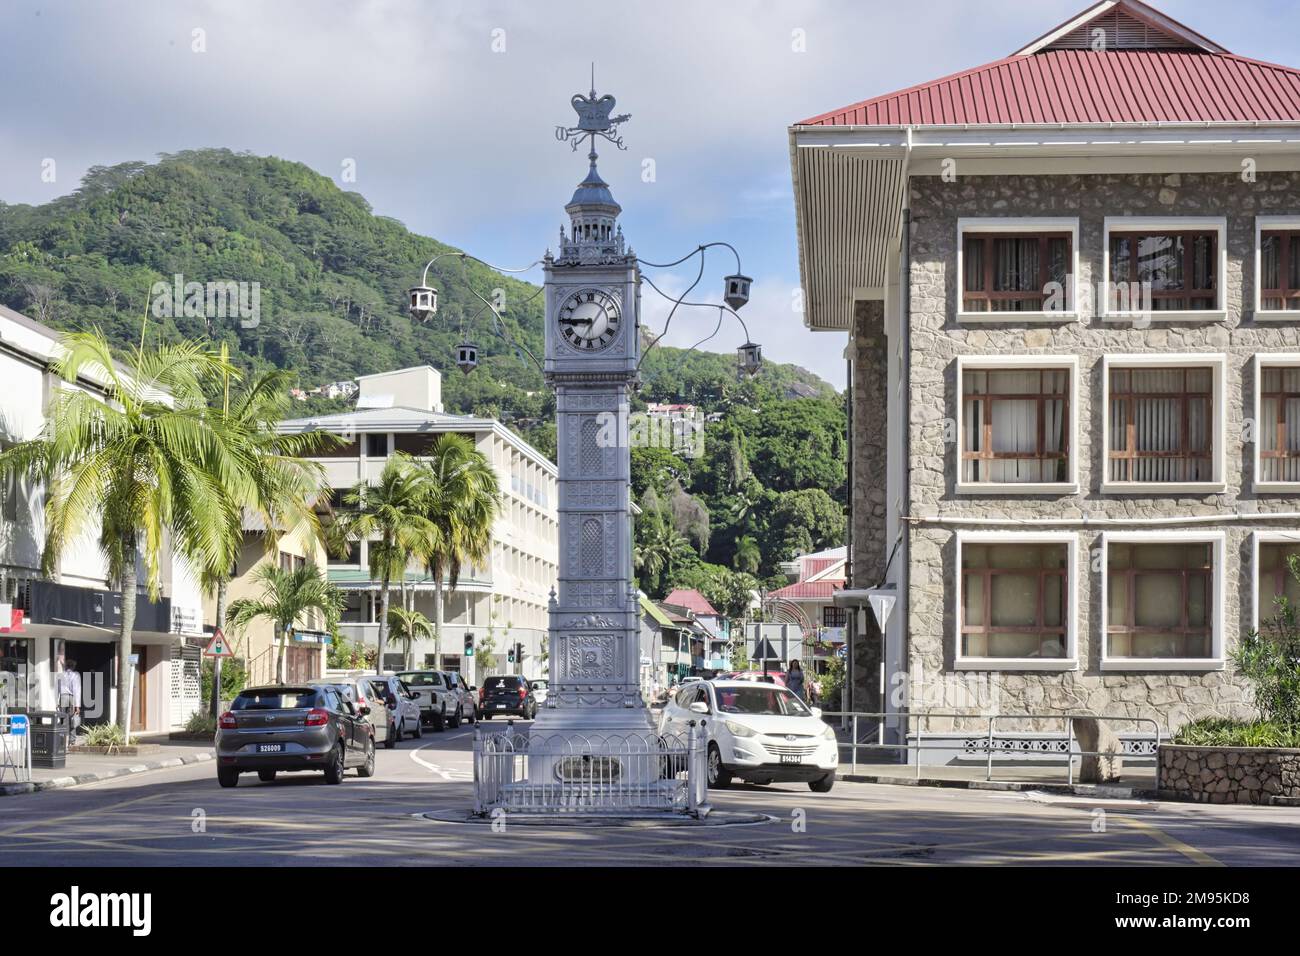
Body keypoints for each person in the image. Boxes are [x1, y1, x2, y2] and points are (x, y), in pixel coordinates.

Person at [57, 657, 82, 732]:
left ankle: (63, 736)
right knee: (72, 718)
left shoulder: (61, 675)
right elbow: (76, 690)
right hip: (71, 697)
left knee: (63, 717)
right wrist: (77, 705)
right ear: (73, 666)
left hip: (63, 696)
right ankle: (72, 739)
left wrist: (57, 701)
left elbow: (58, 688)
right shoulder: (76, 675)